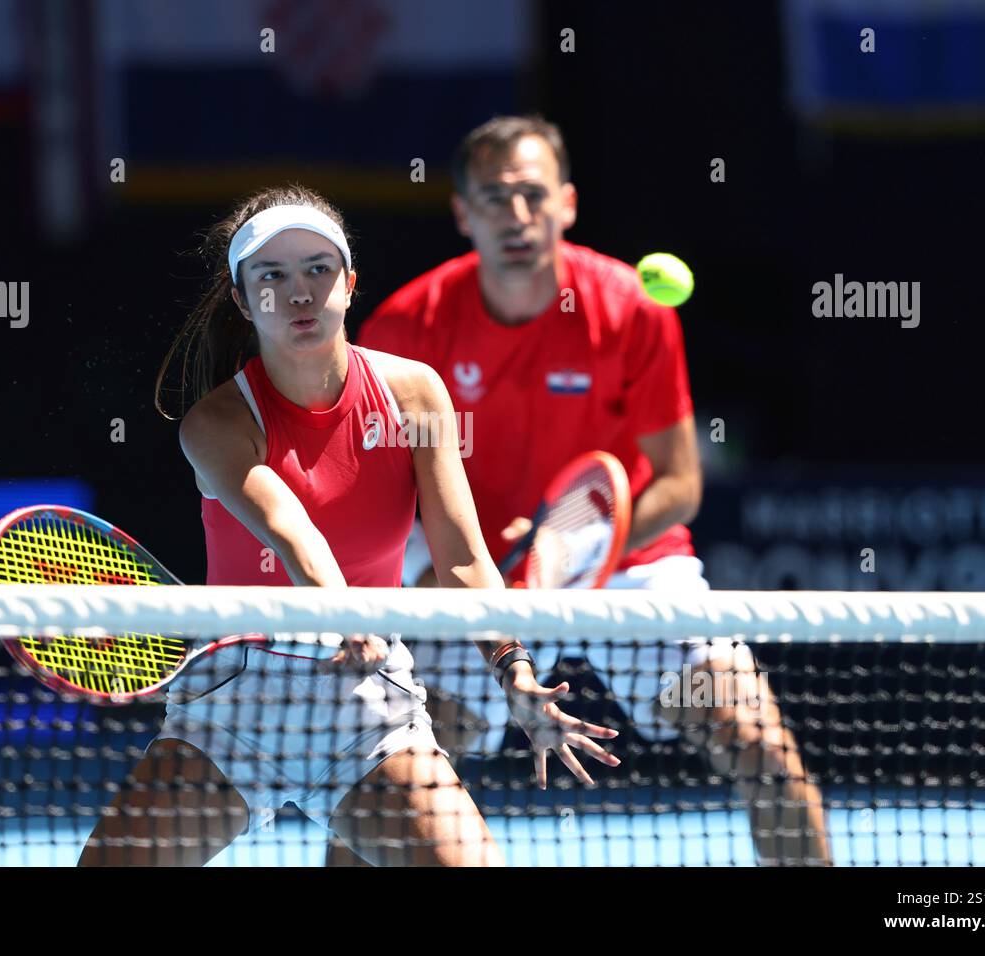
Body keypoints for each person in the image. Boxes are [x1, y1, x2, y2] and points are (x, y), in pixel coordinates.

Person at [78, 184, 619, 867]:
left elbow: (460, 558)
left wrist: (514, 672)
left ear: (349, 282)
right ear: (243, 301)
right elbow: (291, 529)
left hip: (365, 704)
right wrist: (348, 614)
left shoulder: (414, 394)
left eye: (317, 269)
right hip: (238, 702)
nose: (298, 293)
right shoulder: (217, 424)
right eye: (271, 277)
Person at [354, 116, 831, 866]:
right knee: (377, 781)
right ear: (462, 213)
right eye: (495, 197)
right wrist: (427, 576)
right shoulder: (409, 325)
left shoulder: (631, 309)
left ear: (568, 203)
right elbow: (373, 487)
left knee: (762, 750)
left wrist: (574, 552)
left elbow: (677, 484)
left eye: (534, 195)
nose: (517, 216)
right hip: (475, 569)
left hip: (628, 566)